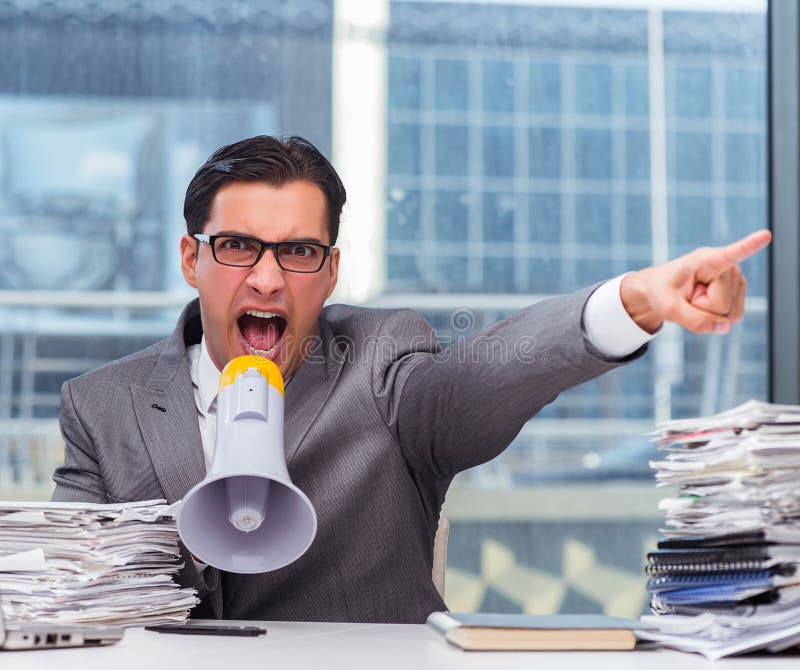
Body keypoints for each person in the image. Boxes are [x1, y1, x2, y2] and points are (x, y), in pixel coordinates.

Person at [52, 135, 771, 623]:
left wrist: (634, 301)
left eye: (299, 251)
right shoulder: (101, 406)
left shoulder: (380, 360)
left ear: (330, 271)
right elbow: (62, 587)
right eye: (239, 247)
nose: (268, 279)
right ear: (190, 259)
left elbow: (483, 376)